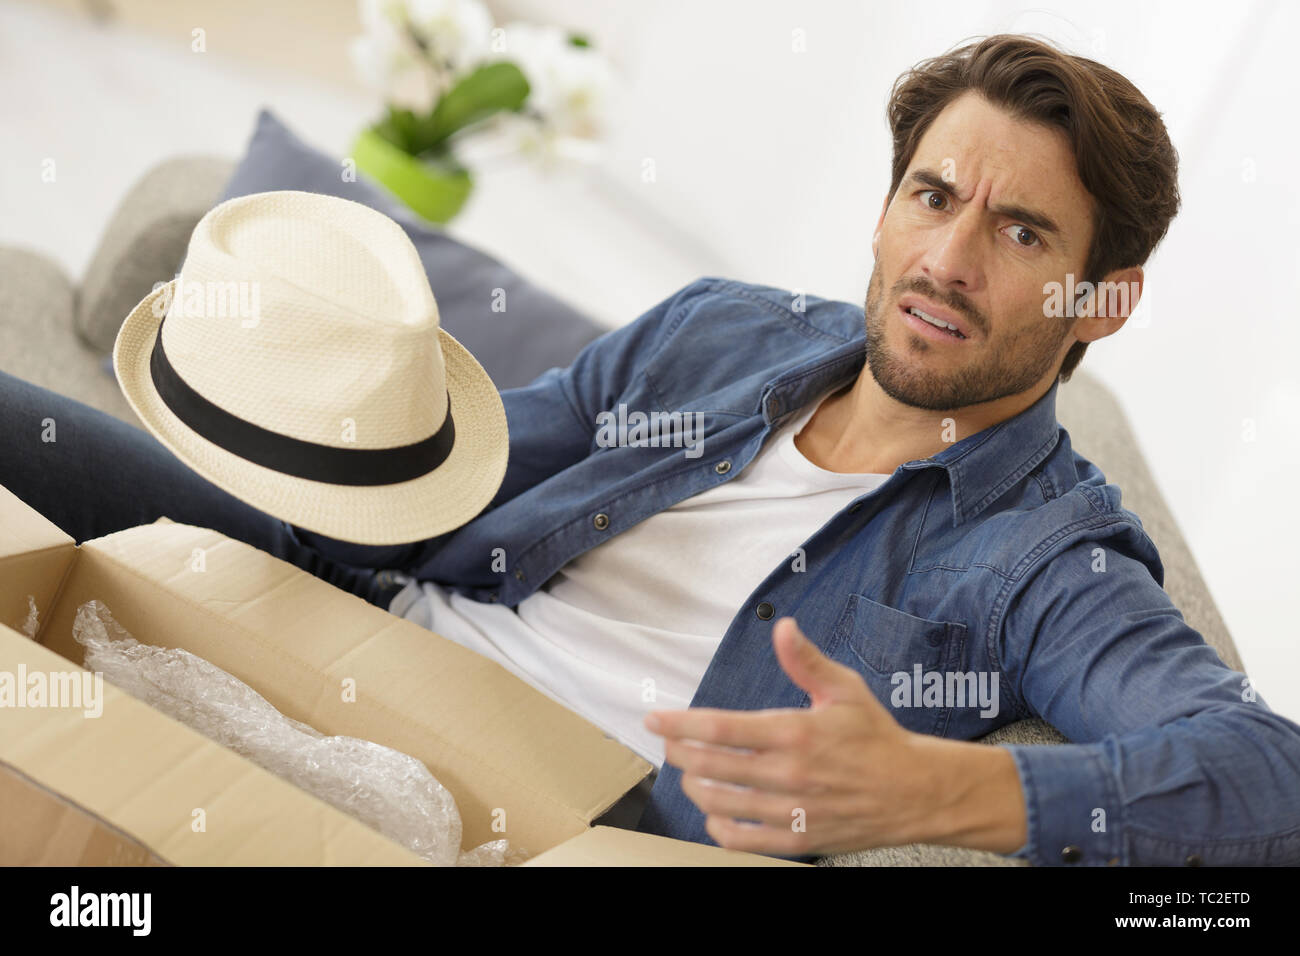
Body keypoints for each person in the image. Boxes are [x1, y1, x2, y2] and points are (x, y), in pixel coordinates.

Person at [3, 34, 1297, 866]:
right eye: (934, 196)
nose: (946, 263)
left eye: (1022, 236)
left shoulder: (1047, 557)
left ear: (1102, 300)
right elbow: (486, 467)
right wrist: (332, 409)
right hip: (363, 606)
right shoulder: (722, 332)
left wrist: (941, 794)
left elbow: (1268, 777)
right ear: (889, 203)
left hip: (545, 809)